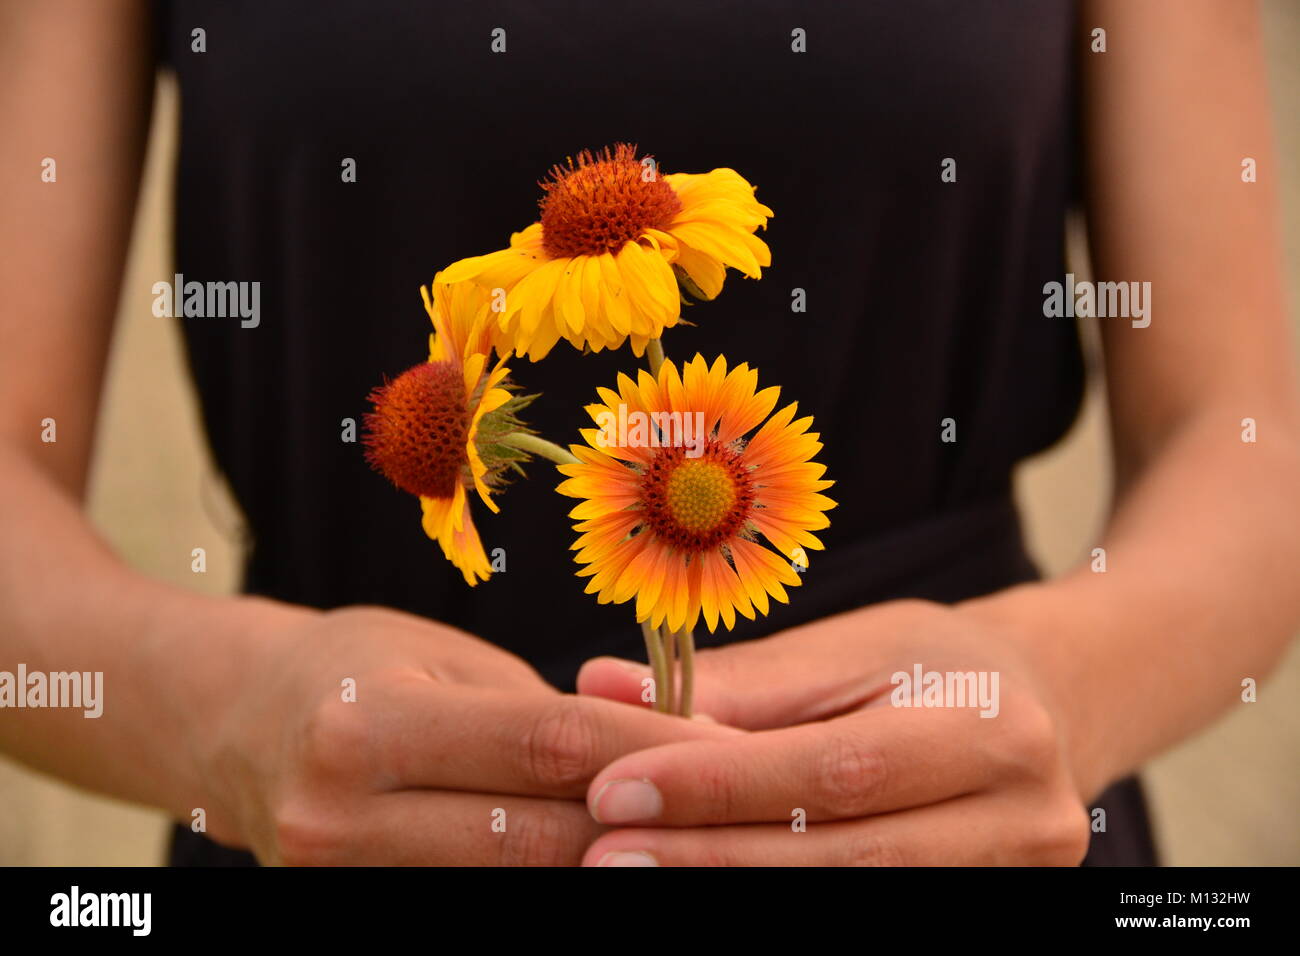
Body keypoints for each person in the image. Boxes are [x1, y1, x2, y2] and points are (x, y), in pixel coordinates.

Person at [2, 0, 1296, 867]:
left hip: (967, 821)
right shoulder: (503, 307)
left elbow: (1238, 438)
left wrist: (1056, 689)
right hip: (332, 818)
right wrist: (226, 716)